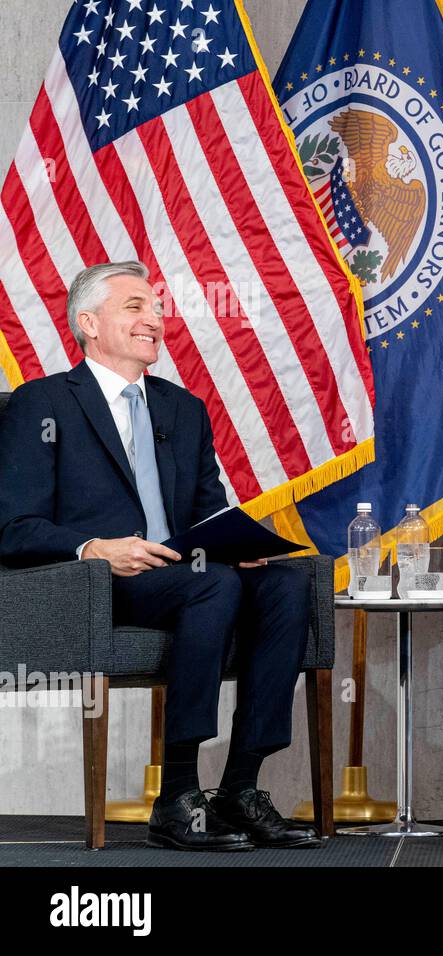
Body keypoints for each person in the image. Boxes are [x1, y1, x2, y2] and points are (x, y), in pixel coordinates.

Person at [0, 261, 320, 852]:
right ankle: (177, 795)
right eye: (135, 307)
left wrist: (237, 546)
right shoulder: (41, 402)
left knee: (286, 584)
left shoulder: (183, 408)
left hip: (184, 571)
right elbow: (14, 526)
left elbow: (206, 512)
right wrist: (93, 548)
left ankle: (240, 790)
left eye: (156, 309)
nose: (154, 319)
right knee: (214, 587)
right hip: (93, 580)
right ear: (89, 323)